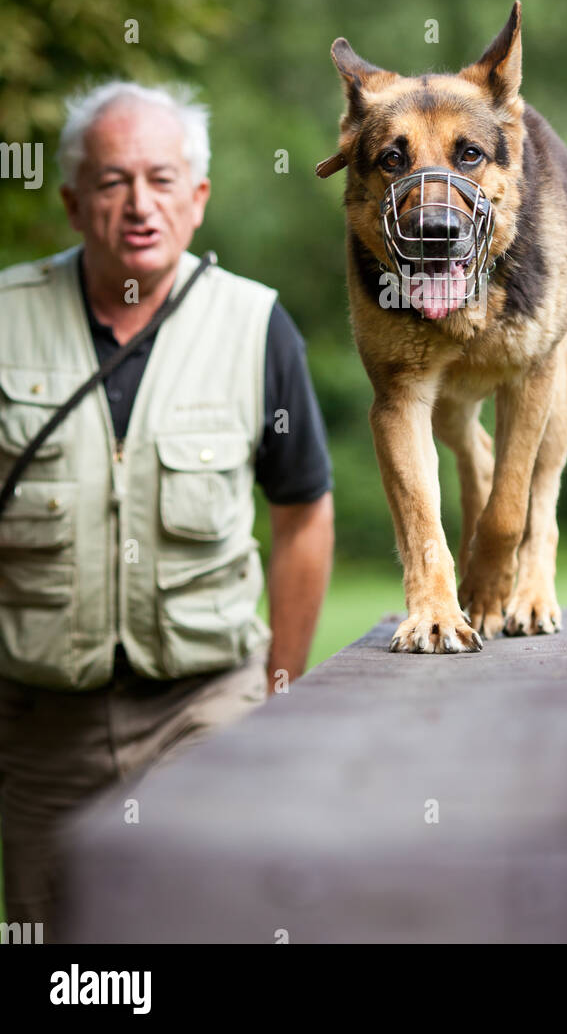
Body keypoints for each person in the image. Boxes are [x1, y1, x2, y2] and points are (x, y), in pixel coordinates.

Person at [0, 81, 334, 939]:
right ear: (74, 202)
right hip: (42, 729)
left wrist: (279, 688)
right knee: (63, 955)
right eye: (112, 183)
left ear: (198, 198)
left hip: (205, 708)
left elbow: (301, 512)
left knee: (206, 923)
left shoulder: (257, 325)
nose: (139, 205)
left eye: (161, 178)